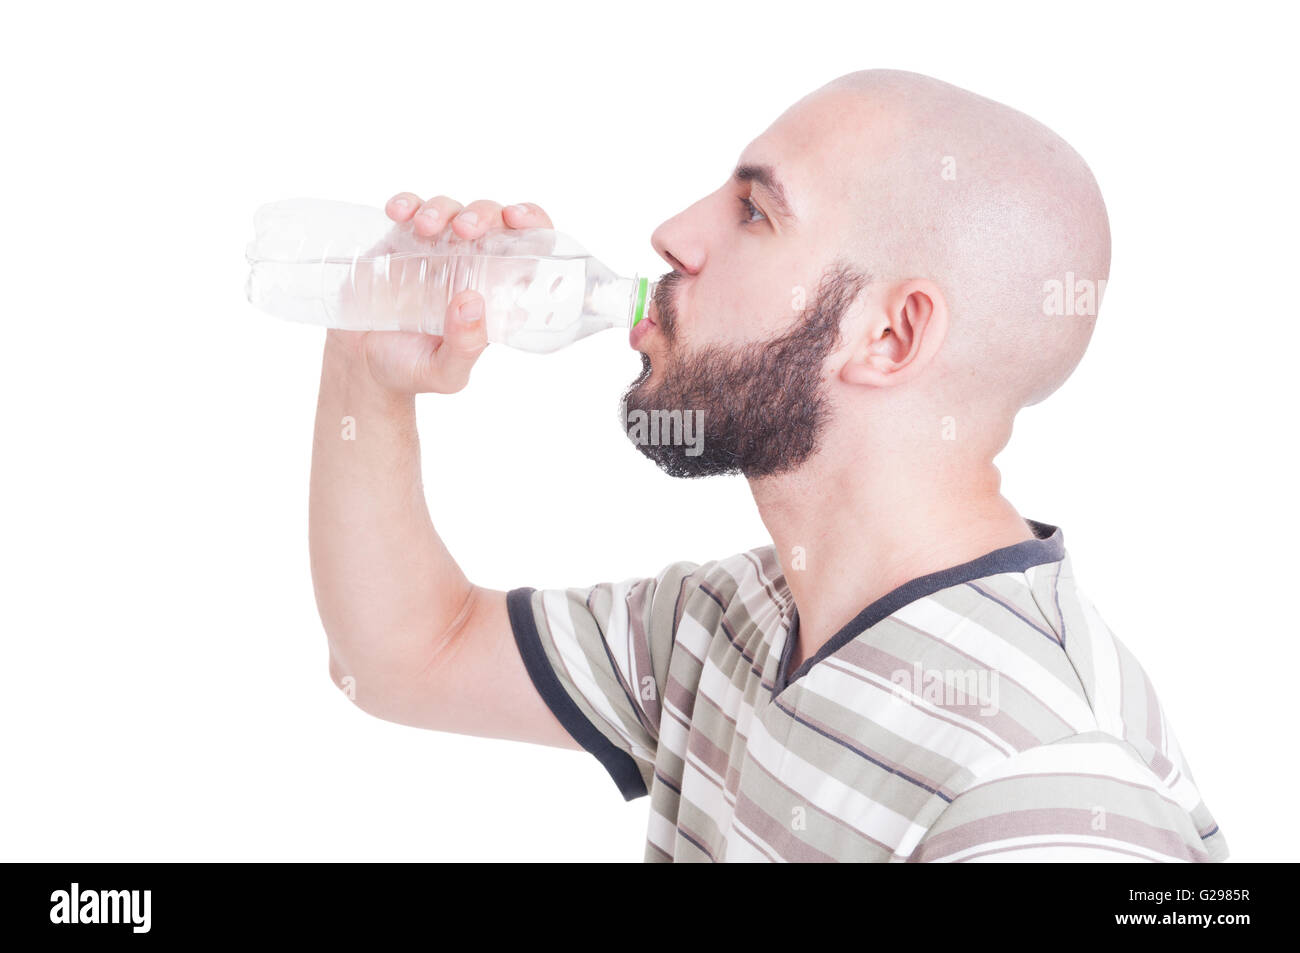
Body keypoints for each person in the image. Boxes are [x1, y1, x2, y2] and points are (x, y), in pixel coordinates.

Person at [308, 69, 1227, 862]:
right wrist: (368, 372)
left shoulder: (1048, 794)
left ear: (890, 335)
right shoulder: (738, 622)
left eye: (756, 210)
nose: (671, 233)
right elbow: (406, 654)